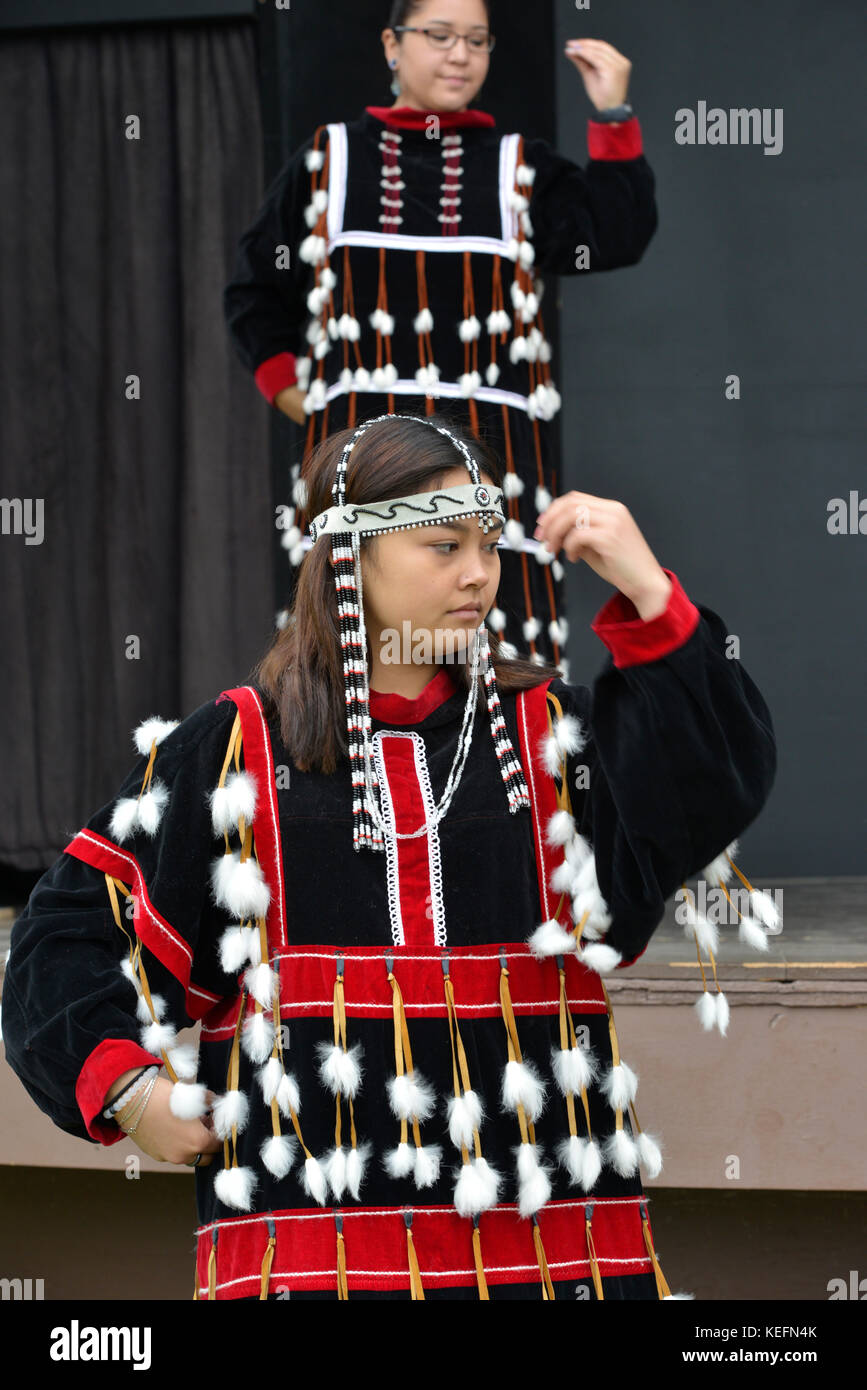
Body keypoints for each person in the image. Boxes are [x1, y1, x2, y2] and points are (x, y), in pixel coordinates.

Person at [2, 412, 777, 1301]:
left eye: (488, 544)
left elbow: (714, 785)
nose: (479, 573)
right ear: (350, 556)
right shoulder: (237, 753)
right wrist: (130, 1094)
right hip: (311, 1260)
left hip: (555, 1256)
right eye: (443, 546)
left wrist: (650, 596)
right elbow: (64, 934)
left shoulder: (554, 741)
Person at [223, 0, 657, 671]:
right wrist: (295, 397)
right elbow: (253, 289)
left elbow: (616, 234)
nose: (460, 54)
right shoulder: (329, 160)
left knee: (498, 652)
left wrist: (612, 114)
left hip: (493, 460)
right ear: (392, 45)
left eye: (477, 41)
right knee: (355, 653)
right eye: (440, 36)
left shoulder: (519, 168)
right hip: (364, 462)